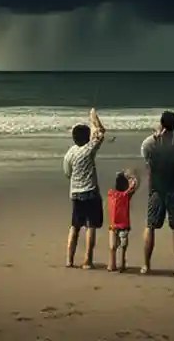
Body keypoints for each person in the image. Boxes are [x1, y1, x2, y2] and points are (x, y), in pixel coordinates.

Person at [141, 110, 174, 277]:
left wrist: (156, 134)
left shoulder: (151, 143)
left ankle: (146, 265)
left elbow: (145, 155)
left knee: (150, 226)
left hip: (156, 189)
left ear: (161, 124)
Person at [62, 107, 106, 269]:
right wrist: (93, 117)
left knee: (75, 226)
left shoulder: (70, 153)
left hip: (75, 192)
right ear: (87, 138)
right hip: (90, 192)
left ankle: (69, 259)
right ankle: (88, 260)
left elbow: (67, 172)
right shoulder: (88, 150)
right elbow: (101, 133)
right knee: (90, 226)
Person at [106, 168, 139, 272]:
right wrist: (131, 177)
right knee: (123, 246)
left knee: (112, 247)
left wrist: (120, 175)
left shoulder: (111, 194)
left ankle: (112, 264)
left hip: (113, 225)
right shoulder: (126, 195)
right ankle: (122, 263)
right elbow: (134, 186)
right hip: (124, 225)